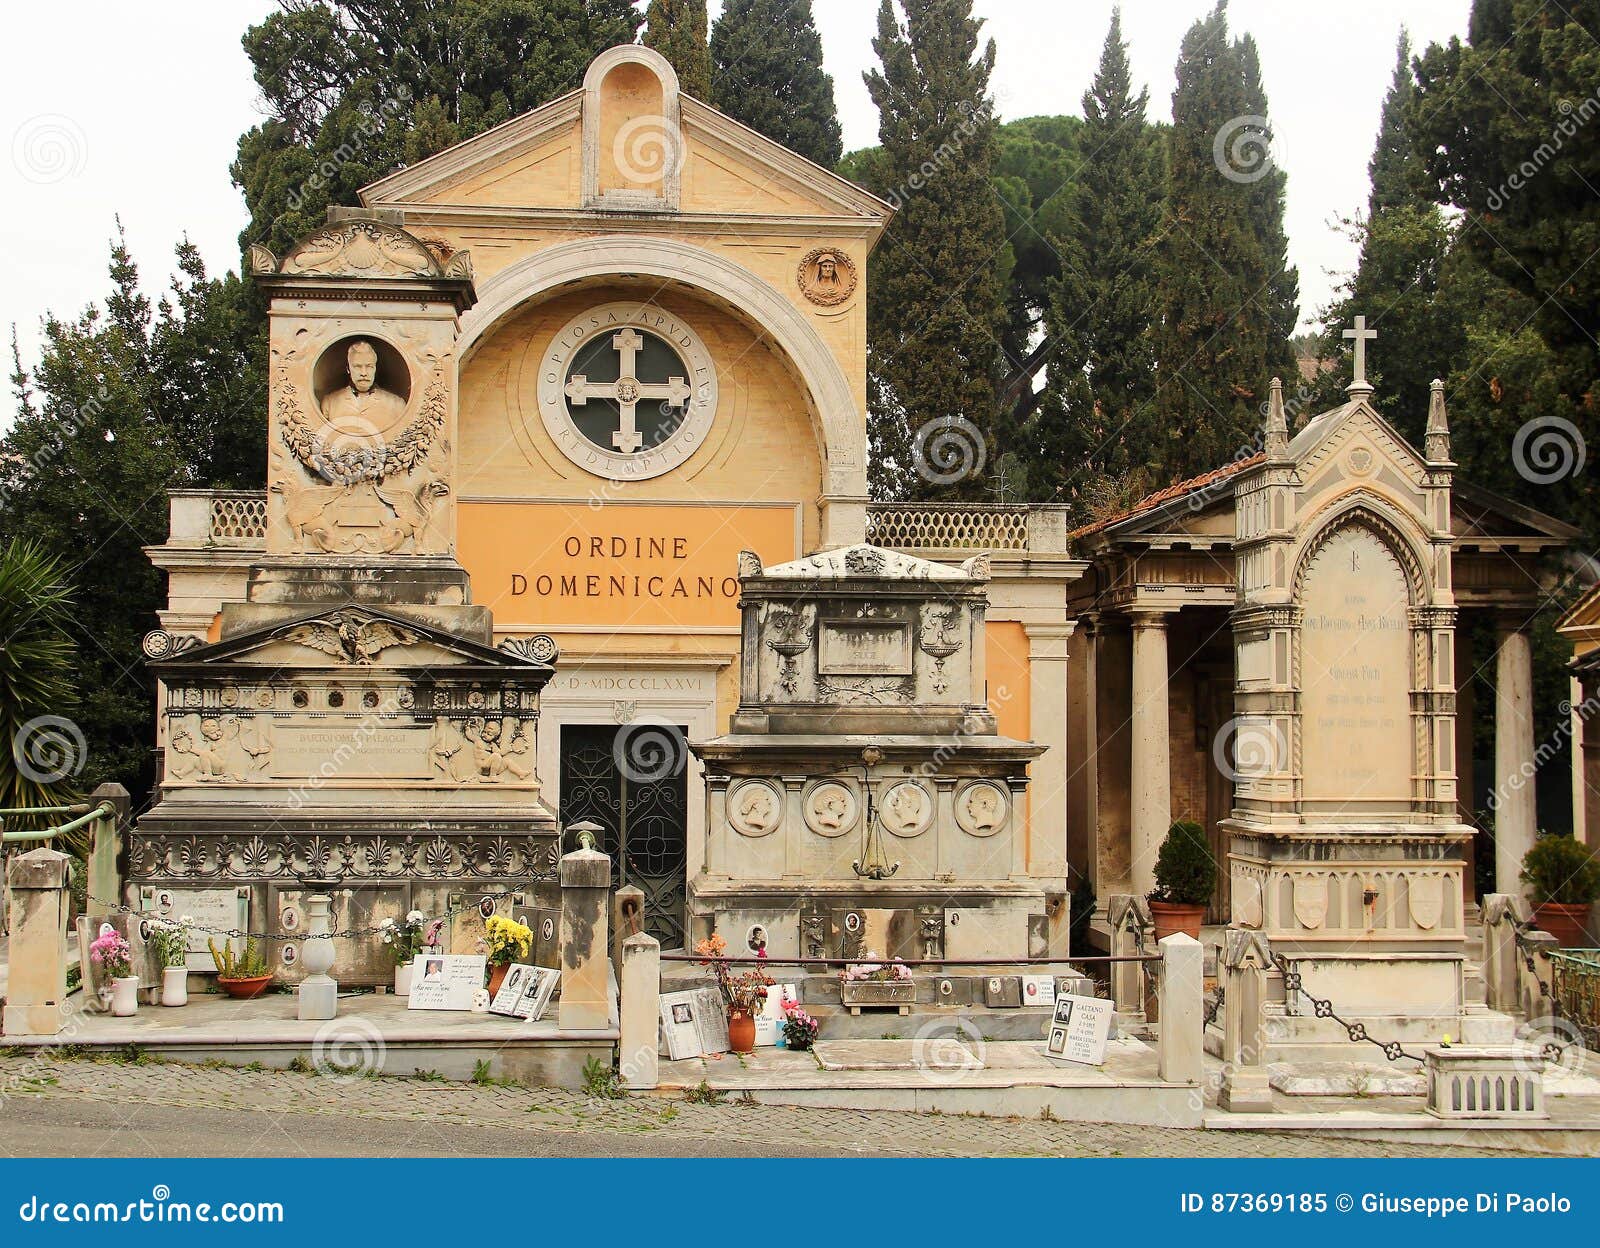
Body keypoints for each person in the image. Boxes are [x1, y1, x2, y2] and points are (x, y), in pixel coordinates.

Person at [321, 340, 407, 433]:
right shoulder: (329, 403)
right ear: (348, 369)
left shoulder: (397, 405)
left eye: (369, 366)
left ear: (375, 368)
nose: (364, 373)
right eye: (357, 366)